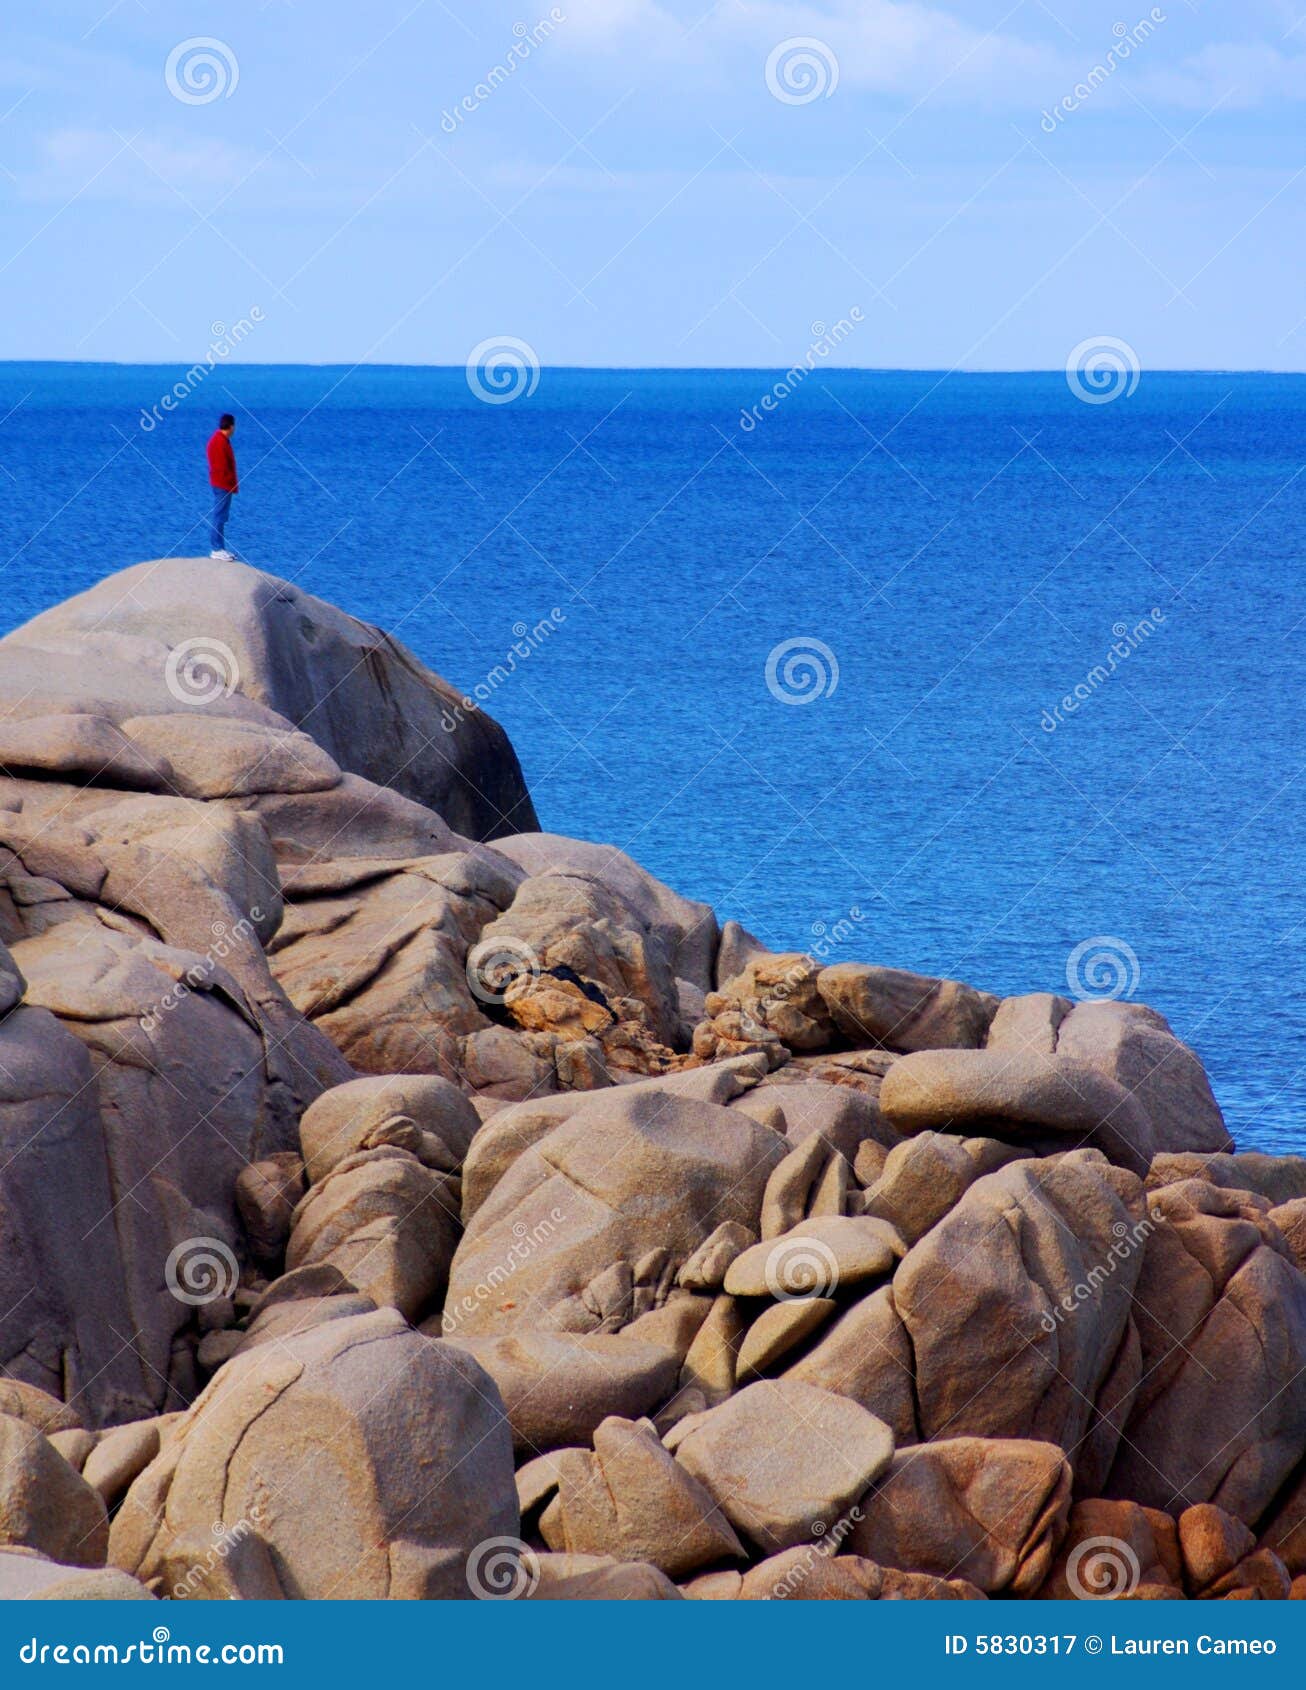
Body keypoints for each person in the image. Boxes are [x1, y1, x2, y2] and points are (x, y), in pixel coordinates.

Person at [206, 414, 239, 559]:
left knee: (222, 516)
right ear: (231, 426)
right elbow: (222, 466)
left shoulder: (220, 440)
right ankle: (217, 548)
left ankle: (220, 548)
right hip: (222, 484)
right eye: (234, 426)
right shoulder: (219, 441)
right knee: (219, 516)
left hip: (222, 483)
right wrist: (229, 483)